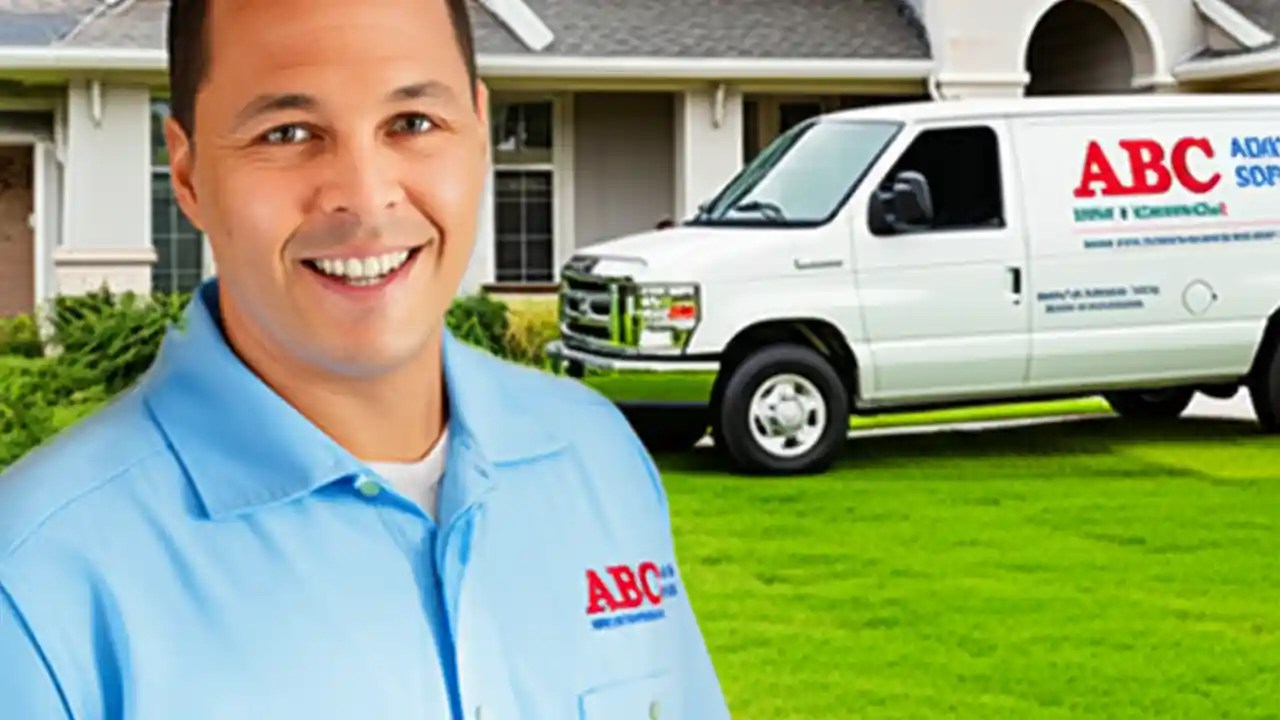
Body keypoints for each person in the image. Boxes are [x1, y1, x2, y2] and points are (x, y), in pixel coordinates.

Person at [0, 0, 730, 717]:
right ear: (187, 175)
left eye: (412, 123)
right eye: (288, 132)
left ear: (478, 132)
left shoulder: (593, 455)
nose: (364, 197)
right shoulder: (37, 578)